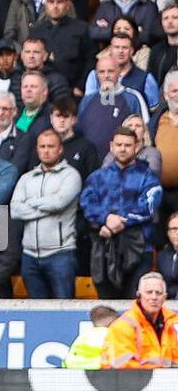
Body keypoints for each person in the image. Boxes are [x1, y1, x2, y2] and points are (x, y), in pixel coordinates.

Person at [80, 126, 162, 299]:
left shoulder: (148, 176)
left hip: (139, 249)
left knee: (137, 304)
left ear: (136, 146)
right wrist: (106, 218)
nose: (123, 148)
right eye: (119, 144)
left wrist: (120, 221)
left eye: (127, 145)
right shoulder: (97, 177)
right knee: (107, 306)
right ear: (111, 146)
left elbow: (149, 205)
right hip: (104, 248)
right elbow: (87, 204)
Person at [10, 128, 82, 299]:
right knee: (37, 313)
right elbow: (15, 210)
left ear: (60, 149)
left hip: (60, 254)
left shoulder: (71, 175)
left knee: (64, 309)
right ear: (37, 149)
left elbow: (59, 202)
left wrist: (30, 203)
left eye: (51, 146)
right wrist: (47, 206)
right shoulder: (26, 178)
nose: (46, 150)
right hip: (30, 255)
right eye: (42, 146)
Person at [100, 273, 178, 368]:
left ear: (165, 297)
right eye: (149, 292)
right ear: (138, 295)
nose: (154, 297)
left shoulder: (174, 323)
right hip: (130, 381)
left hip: (169, 381)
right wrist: (160, 372)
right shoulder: (123, 326)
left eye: (158, 293)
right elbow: (123, 366)